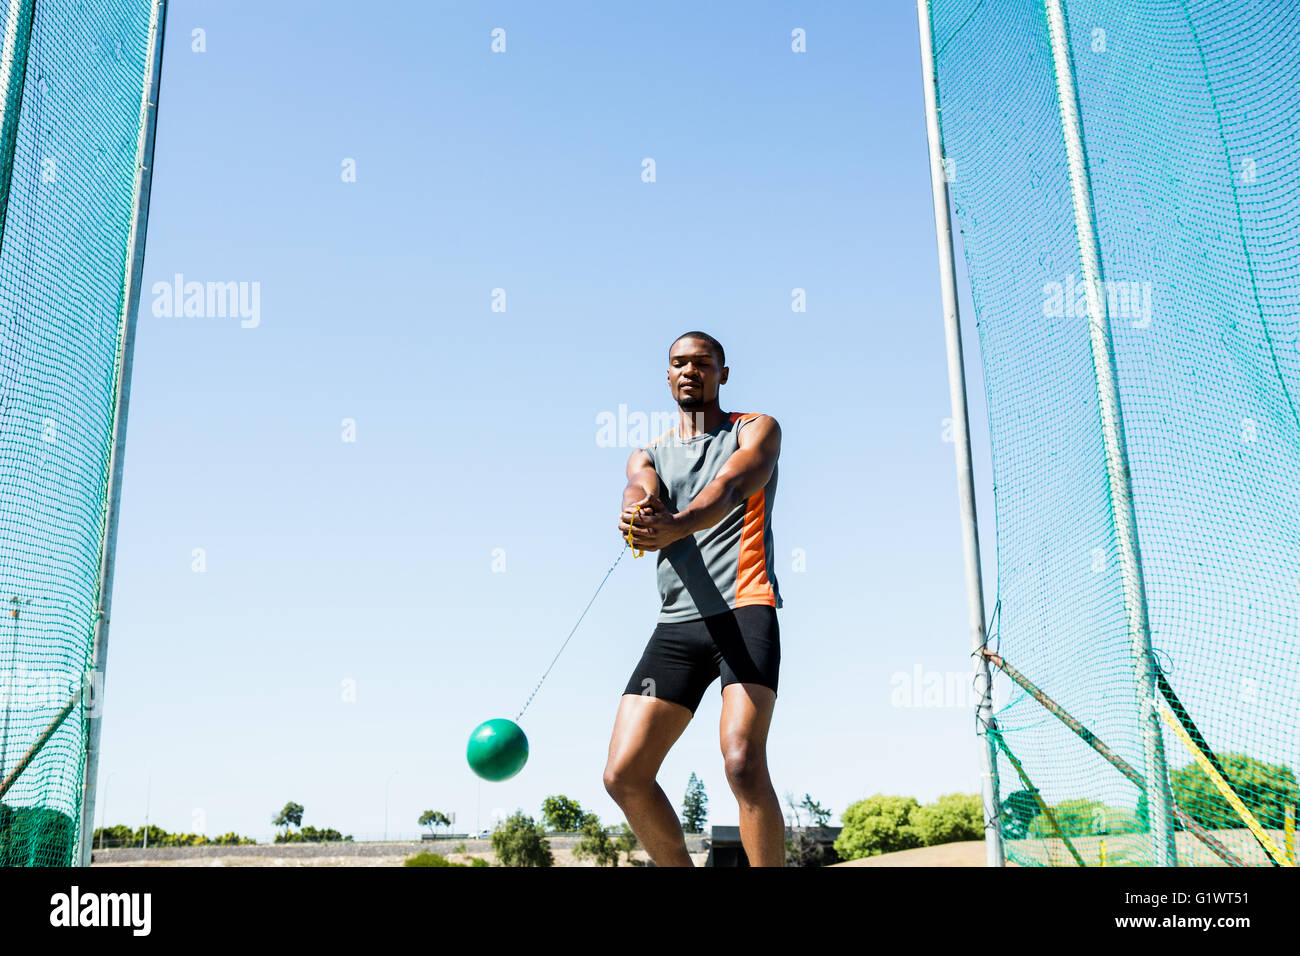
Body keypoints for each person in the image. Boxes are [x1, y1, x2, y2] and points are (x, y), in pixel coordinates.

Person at [604, 330, 784, 866]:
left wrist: (677, 525)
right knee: (624, 774)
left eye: (702, 363)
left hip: (745, 611)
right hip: (678, 624)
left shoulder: (755, 430)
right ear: (667, 375)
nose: (690, 371)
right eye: (679, 363)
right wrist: (640, 512)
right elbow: (640, 487)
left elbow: (731, 487)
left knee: (741, 762)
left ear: (722, 373)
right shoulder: (649, 452)